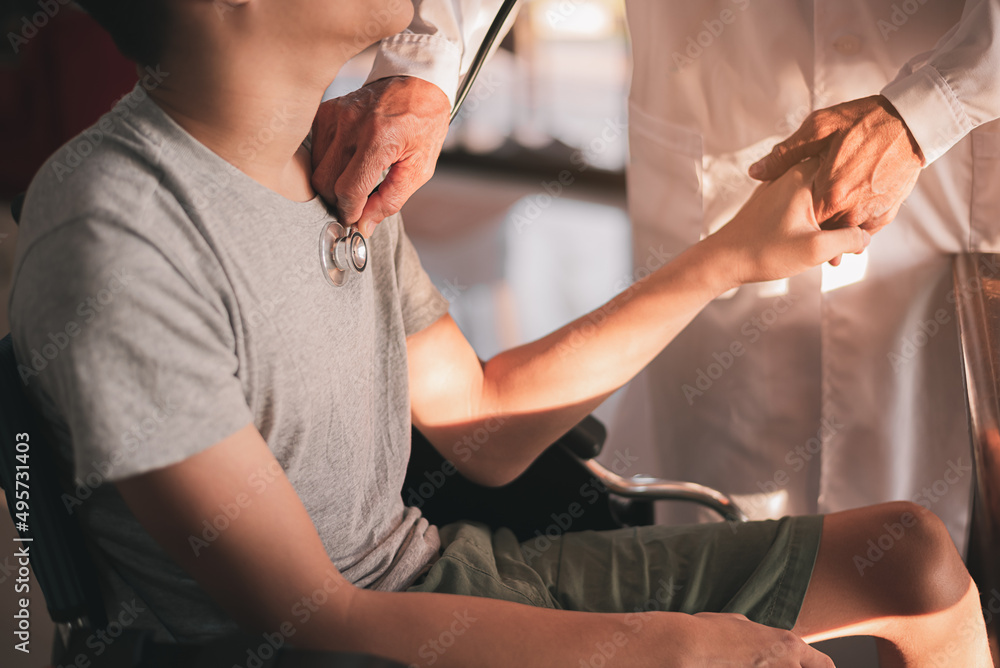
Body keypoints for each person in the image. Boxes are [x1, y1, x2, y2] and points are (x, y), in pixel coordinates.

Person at [7, 1, 992, 666]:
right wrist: (667, 647)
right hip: (334, 642)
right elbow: (318, 613)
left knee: (912, 559)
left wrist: (730, 255)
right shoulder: (118, 229)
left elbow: (480, 422)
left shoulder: (317, 157)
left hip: (435, 577)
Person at [310, 0, 1000, 553]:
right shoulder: (291, 213)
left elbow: (481, 422)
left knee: (926, 543)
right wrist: (422, 60)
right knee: (753, 543)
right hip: (723, 122)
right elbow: (478, 424)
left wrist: (928, 110)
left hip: (946, 176)